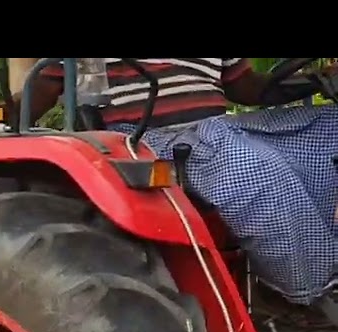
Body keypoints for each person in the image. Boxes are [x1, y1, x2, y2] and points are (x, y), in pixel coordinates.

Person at [18, 58, 338, 310]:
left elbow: (247, 90)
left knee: (330, 128)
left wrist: (314, 81)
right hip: (143, 140)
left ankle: (315, 265)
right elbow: (43, 89)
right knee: (252, 167)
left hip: (216, 130)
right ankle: (308, 289)